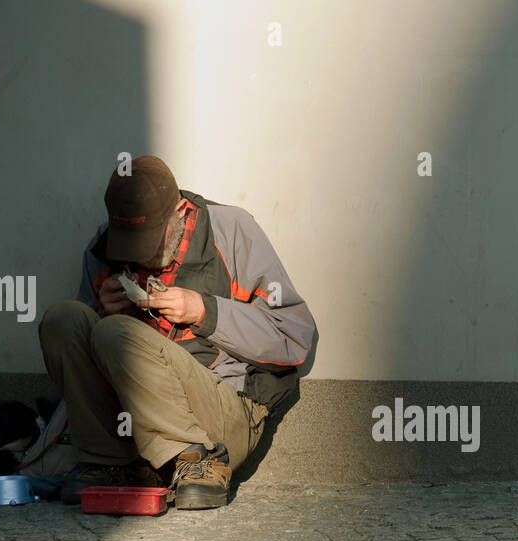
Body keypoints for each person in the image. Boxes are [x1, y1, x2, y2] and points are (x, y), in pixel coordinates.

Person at [38, 155, 315, 509]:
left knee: (116, 333)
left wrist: (205, 311)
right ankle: (108, 463)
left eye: (149, 241)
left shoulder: (232, 230)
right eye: (129, 243)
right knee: (65, 319)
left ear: (180, 212)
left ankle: (199, 458)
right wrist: (100, 310)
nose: (140, 256)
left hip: (223, 410)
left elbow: (294, 337)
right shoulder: (103, 247)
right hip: (133, 424)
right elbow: (81, 355)